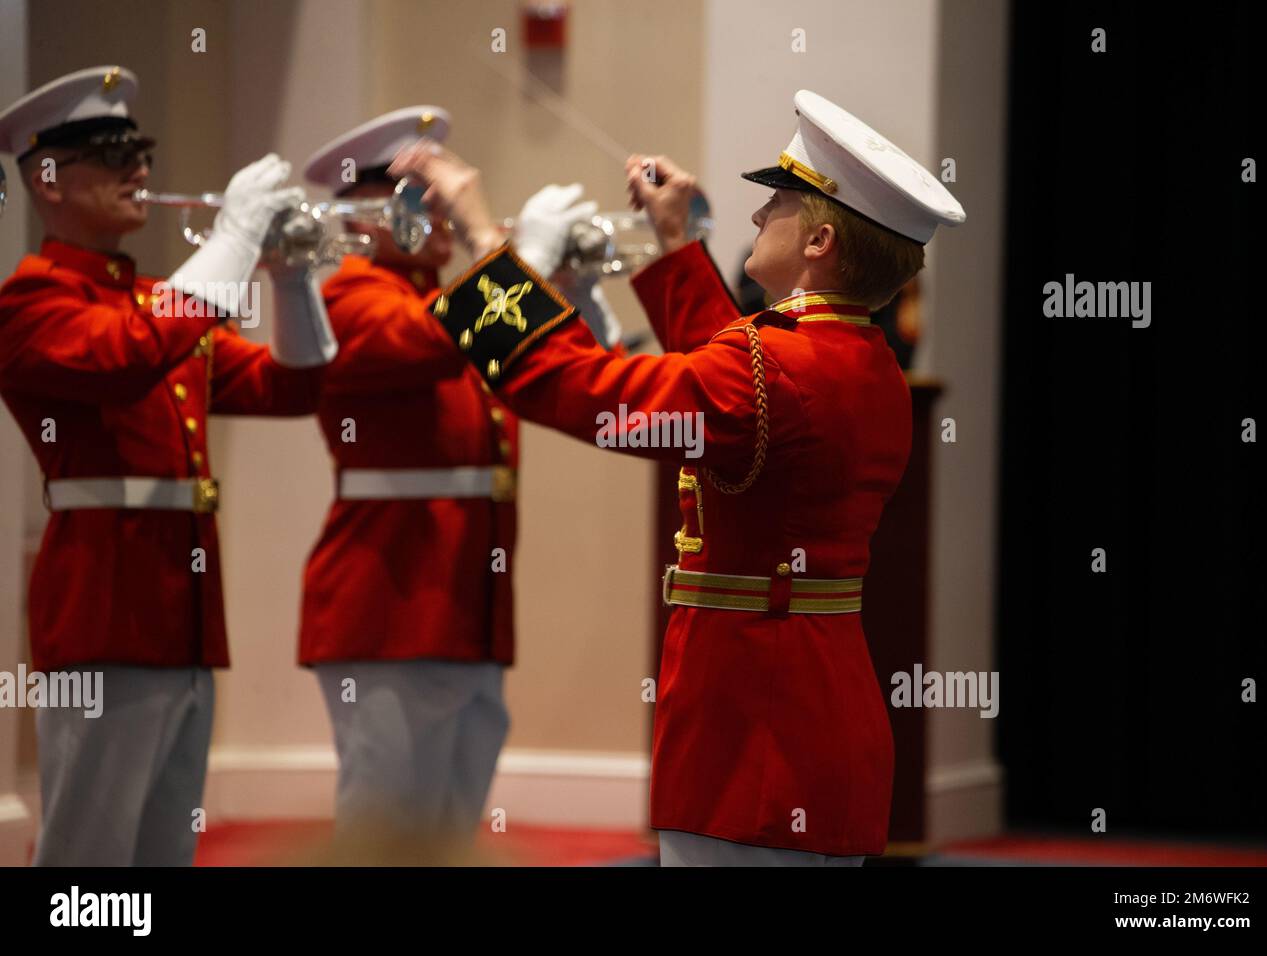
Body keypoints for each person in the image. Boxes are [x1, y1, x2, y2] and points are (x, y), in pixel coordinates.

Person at [389, 89, 965, 866]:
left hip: (749, 734)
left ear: (821, 239)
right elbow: (737, 384)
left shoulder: (773, 371)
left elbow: (584, 397)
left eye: (780, 205)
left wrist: (487, 241)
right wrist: (672, 242)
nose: (759, 219)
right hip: (821, 723)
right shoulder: (862, 364)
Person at [0, 65, 336, 865]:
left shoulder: (148, 299)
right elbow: (126, 360)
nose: (138, 170)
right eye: (112, 155)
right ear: (48, 181)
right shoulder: (28, 304)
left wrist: (290, 281)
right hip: (105, 618)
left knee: (158, 857)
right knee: (88, 859)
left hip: (183, 622)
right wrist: (231, 241)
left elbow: (294, 389)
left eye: (139, 152)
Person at [297, 106, 615, 856]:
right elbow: (439, 340)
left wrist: (571, 285)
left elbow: (570, 371)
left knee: (447, 840)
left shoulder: (446, 299)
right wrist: (520, 256)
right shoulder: (348, 296)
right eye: (422, 200)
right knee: (383, 839)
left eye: (441, 201)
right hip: (390, 609)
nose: (439, 216)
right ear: (366, 214)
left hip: (467, 611)